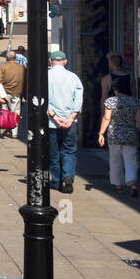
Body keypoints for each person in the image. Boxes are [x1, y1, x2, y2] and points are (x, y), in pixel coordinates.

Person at [98, 73, 140, 197]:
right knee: (130, 161)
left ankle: (118, 186)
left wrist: (101, 133)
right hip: (130, 135)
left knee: (115, 161)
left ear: (115, 89)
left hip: (114, 135)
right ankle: (132, 183)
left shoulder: (110, 102)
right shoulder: (134, 102)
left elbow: (107, 118)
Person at [47, 50, 83, 193]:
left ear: (50, 61)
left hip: (51, 122)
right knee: (69, 151)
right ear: (65, 61)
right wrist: (71, 118)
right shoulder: (73, 78)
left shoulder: (46, 76)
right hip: (69, 122)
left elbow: (43, 99)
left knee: (54, 153)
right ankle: (68, 176)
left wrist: (55, 117)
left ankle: (56, 181)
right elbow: (78, 100)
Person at [0, 49, 26, 140]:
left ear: (7, 58)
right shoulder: (21, 67)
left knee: (5, 112)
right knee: (15, 113)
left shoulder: (3, 67)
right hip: (17, 93)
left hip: (5, 93)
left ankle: (5, 128)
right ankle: (14, 133)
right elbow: (25, 81)